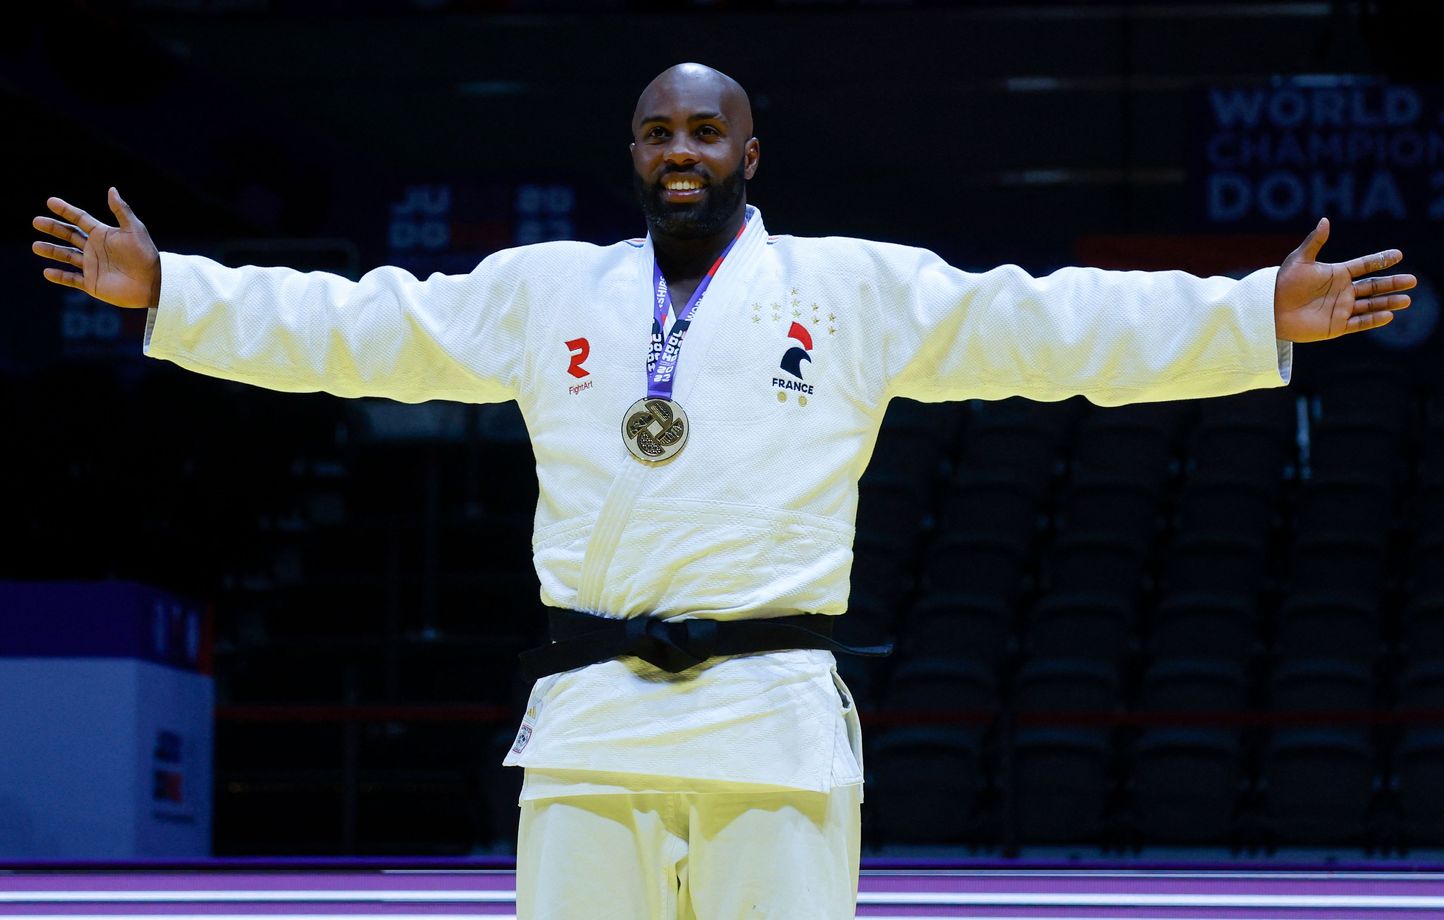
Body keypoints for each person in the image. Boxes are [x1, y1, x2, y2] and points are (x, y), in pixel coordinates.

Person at [33, 62, 1414, 920]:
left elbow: (1046, 327)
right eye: (654, 132)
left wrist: (1250, 314)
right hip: (587, 736)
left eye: (705, 130)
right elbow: (357, 325)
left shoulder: (853, 288)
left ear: (751, 155)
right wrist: (177, 290)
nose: (678, 149)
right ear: (632, 154)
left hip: (771, 733)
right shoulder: (545, 292)